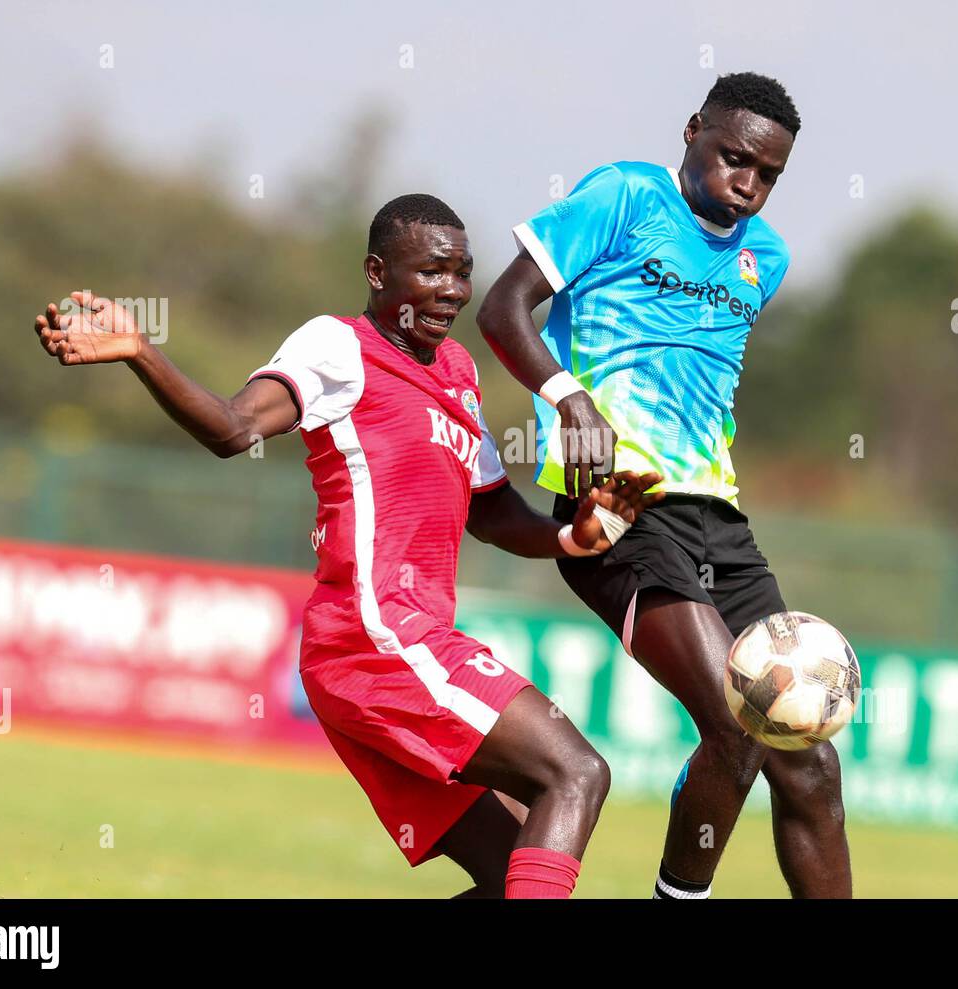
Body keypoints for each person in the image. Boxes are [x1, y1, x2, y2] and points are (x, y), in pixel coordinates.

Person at [33, 193, 663, 898]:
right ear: (376, 272)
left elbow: (490, 512)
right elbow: (233, 428)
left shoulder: (458, 370)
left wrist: (573, 537)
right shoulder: (339, 347)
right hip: (375, 637)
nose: (452, 290)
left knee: (510, 867)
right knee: (577, 772)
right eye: (431, 271)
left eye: (462, 272)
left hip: (389, 649)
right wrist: (141, 352)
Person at [477, 73, 850, 898]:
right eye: (734, 158)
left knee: (811, 763)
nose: (747, 183)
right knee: (738, 720)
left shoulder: (767, 258)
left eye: (769, 174)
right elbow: (502, 308)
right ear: (692, 130)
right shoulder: (623, 195)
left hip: (721, 520)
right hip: (620, 510)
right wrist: (568, 398)